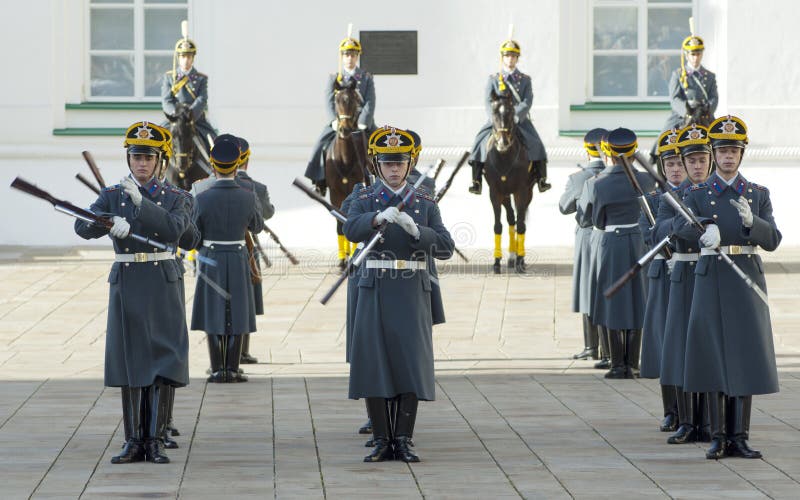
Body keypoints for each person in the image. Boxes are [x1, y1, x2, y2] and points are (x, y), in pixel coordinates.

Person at [75, 121, 195, 464]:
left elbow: (175, 229)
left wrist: (142, 204)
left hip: (161, 281)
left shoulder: (177, 197)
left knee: (161, 359)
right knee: (131, 361)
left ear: (160, 161)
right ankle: (133, 441)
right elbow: (81, 226)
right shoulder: (113, 194)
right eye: (136, 157)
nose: (141, 163)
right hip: (127, 281)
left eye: (148, 157)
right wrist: (106, 221)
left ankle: (155, 440)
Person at [343, 126, 454, 462]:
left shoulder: (425, 202)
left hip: (411, 288)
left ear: (409, 164)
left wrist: (416, 231)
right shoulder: (365, 198)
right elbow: (349, 228)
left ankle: (403, 439)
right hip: (375, 287)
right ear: (377, 165)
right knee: (374, 361)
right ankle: (381, 439)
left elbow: (446, 246)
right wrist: (375, 218)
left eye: (400, 163)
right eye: (388, 163)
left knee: (410, 363)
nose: (394, 169)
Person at [674, 115, 781, 459]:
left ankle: (740, 437)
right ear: (714, 154)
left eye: (734, 151)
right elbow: (678, 227)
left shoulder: (757, 194)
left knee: (744, 356)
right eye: (722, 151)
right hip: (712, 279)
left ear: (741, 154)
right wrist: (704, 226)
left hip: (745, 278)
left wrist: (753, 223)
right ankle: (718, 437)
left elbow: (773, 240)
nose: (728, 157)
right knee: (714, 356)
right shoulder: (697, 193)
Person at [191, 136, 264, 383]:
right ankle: (231, 369)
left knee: (213, 312)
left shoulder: (201, 197)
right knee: (238, 312)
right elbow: (257, 226)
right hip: (238, 256)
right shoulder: (248, 195)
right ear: (236, 165)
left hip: (210, 257)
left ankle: (217, 369)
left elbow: (194, 234)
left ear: (213, 166)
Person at [658, 124, 714, 445]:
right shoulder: (672, 197)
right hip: (683, 275)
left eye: (701, 159)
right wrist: (682, 224)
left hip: (710, 274)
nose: (695, 166)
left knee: (707, 348)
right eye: (689, 160)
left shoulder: (716, 193)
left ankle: (707, 420)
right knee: (681, 347)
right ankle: (686, 419)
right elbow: (657, 231)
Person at [587, 128, 654, 379]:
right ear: (634, 152)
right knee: (638, 298)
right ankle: (633, 362)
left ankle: (617, 364)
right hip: (639, 242)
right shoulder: (647, 181)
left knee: (613, 301)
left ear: (609, 153)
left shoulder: (599, 184)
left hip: (612, 244)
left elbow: (598, 220)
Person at [638, 128, 687, 433]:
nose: (676, 170)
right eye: (670, 164)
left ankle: (692, 409)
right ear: (662, 167)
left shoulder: (697, 194)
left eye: (680, 163)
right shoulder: (652, 200)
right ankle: (671, 409)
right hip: (662, 278)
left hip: (687, 272)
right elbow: (647, 235)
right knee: (665, 343)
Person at [468, 35, 549, 195]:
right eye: (507, 55)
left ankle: (541, 179)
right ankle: (476, 181)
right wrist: (494, 118)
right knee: (479, 142)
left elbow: (527, 100)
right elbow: (487, 100)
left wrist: (516, 116)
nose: (510, 58)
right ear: (502, 58)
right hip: (498, 120)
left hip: (518, 120)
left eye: (513, 56)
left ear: (517, 58)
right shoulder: (494, 79)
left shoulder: (525, 80)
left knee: (536, 143)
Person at [304, 33, 376, 196]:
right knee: (321, 143)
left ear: (357, 56)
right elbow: (329, 100)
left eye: (353, 55)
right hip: (340, 119)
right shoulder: (334, 78)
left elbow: (370, 101)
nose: (350, 58)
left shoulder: (366, 77)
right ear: (342, 57)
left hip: (360, 120)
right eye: (346, 55)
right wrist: (333, 120)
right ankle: (319, 181)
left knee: (379, 145)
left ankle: (381, 180)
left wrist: (364, 121)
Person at [560, 128, 607, 361]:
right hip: (610, 236)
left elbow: (564, 207)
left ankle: (591, 347)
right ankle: (608, 349)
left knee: (589, 291)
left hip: (587, 236)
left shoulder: (577, 178)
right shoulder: (619, 175)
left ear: (587, 152)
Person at [234, 136, 275, 365]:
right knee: (247, 300)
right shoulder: (257, 188)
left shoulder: (205, 185)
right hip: (247, 247)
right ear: (246, 161)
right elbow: (267, 213)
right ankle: (242, 351)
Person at [651, 32, 718, 162]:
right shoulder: (678, 74)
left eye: (698, 54)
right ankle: (656, 158)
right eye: (693, 54)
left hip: (704, 114)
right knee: (664, 137)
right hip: (683, 115)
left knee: (719, 140)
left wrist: (707, 109)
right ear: (687, 55)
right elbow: (675, 98)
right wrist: (687, 112)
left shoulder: (710, 76)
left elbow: (714, 97)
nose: (695, 57)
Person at [161, 28, 217, 154]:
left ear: (193, 58)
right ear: (178, 58)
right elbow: (166, 100)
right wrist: (177, 116)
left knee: (214, 142)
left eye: (189, 56)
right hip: (175, 119)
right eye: (183, 56)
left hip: (195, 120)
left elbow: (202, 99)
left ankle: (214, 165)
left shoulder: (201, 78)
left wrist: (190, 115)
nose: (186, 60)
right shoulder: (169, 77)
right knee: (157, 140)